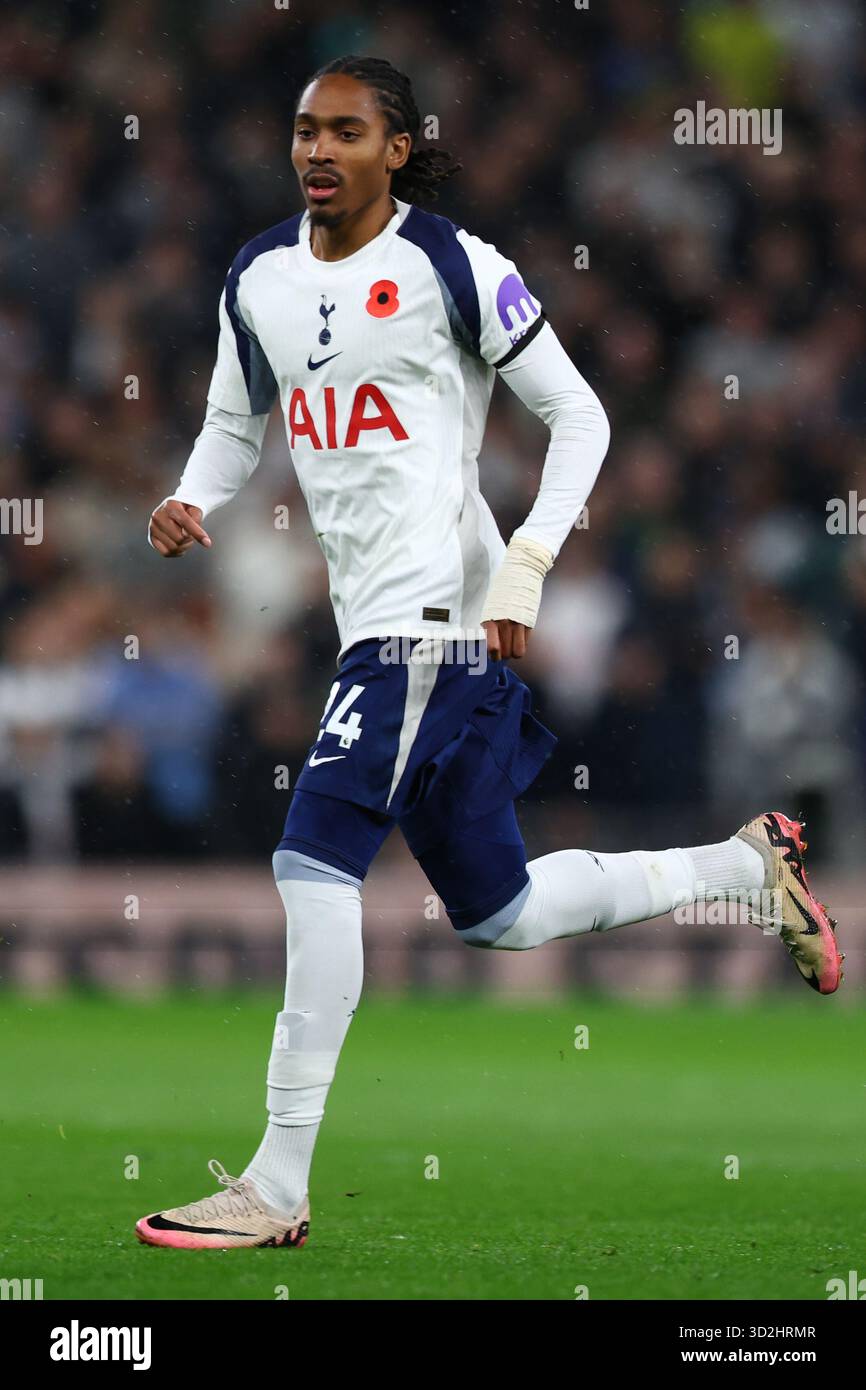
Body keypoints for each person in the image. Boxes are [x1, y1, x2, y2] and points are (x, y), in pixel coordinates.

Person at [136, 57, 843, 1251]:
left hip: (429, 627)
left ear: (395, 148)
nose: (317, 150)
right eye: (304, 130)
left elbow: (581, 415)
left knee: (312, 862)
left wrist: (526, 561)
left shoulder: (452, 265)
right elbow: (230, 421)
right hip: (384, 626)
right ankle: (738, 866)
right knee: (500, 911)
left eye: (345, 132)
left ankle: (276, 1180)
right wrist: (190, 496)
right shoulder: (256, 274)